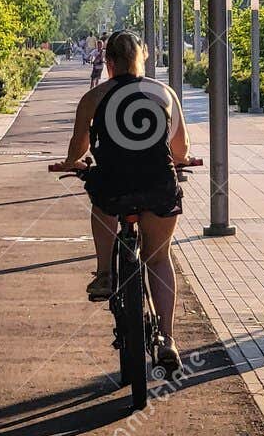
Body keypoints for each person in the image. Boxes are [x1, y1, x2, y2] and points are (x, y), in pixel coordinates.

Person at [49, 28, 190, 374]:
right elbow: (181, 150)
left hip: (114, 186)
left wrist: (72, 163)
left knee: (100, 200)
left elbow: (78, 149)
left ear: (108, 62)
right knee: (159, 259)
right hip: (159, 186)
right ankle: (168, 339)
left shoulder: (94, 97)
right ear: (141, 59)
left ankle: (106, 273)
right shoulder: (164, 94)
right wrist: (180, 161)